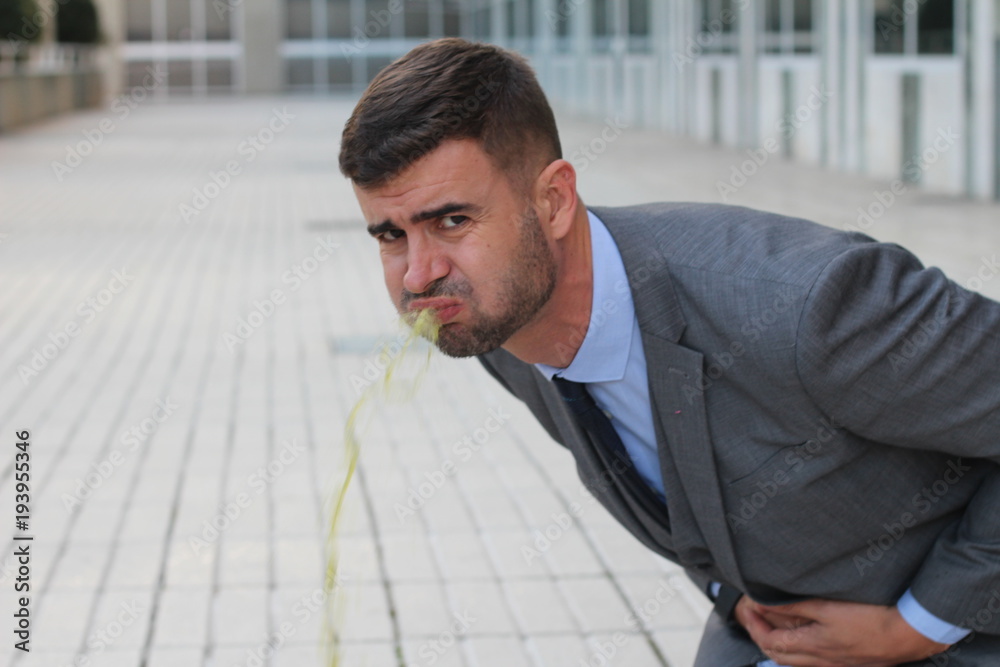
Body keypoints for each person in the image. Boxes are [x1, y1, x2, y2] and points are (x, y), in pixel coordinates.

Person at [338, 37, 1000, 667]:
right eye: (390, 234)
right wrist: (735, 596)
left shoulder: (809, 305)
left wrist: (917, 623)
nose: (418, 273)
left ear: (554, 200)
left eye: (452, 220)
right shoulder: (495, 325)